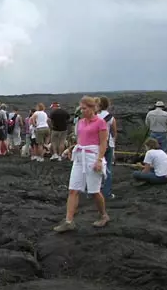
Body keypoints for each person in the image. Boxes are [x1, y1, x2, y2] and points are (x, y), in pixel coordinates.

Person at [54, 96, 110, 233]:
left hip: (93, 156)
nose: (82, 111)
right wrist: (72, 148)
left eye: (85, 108)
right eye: (81, 108)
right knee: (73, 189)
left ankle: (103, 215)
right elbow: (81, 140)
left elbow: (103, 143)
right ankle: (68, 221)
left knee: (94, 191)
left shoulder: (100, 123)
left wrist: (99, 160)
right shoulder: (80, 122)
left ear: (93, 108)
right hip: (80, 157)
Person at [97, 97, 118, 199]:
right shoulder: (111, 118)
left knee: (95, 167)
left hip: (96, 145)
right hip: (108, 144)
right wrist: (113, 142)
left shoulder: (95, 117)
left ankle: (94, 191)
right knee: (108, 168)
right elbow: (114, 132)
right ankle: (107, 193)